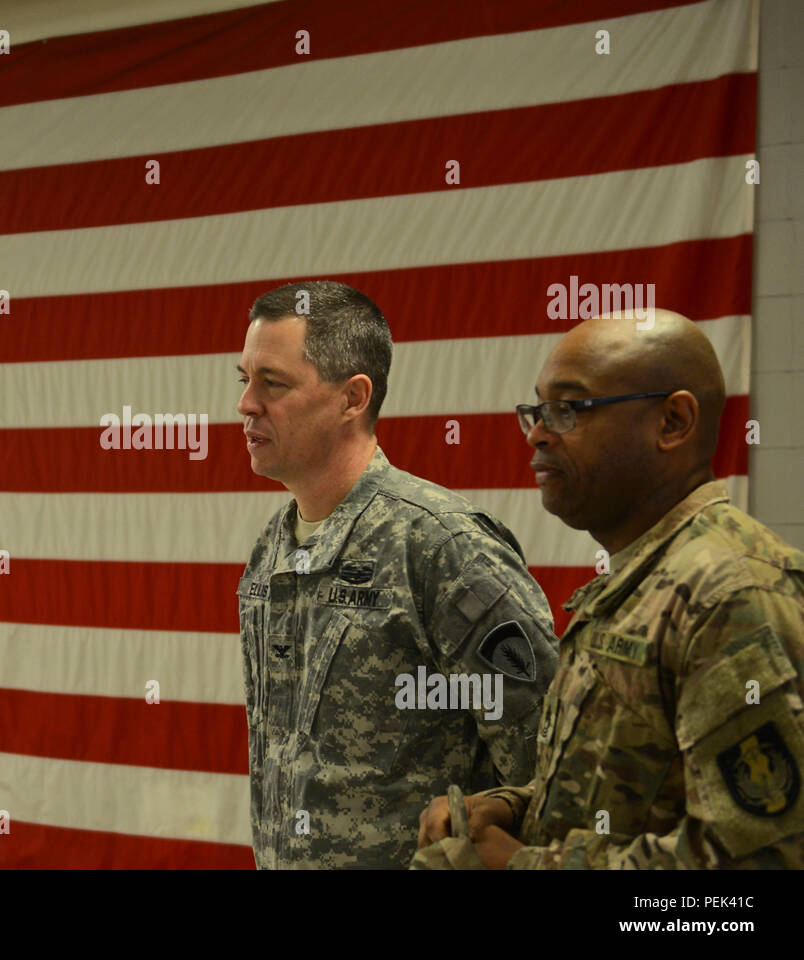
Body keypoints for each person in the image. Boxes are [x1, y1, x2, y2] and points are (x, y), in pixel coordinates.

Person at [417, 309, 804, 868]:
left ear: (672, 422)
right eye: (538, 409)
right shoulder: (641, 581)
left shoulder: (730, 593)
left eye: (569, 409)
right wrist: (511, 807)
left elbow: (757, 866)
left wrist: (525, 865)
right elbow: (635, 793)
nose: (537, 432)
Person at [236, 280, 558, 868]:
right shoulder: (272, 550)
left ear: (352, 398)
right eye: (245, 379)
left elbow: (551, 766)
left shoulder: (442, 546)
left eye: (272, 383)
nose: (246, 404)